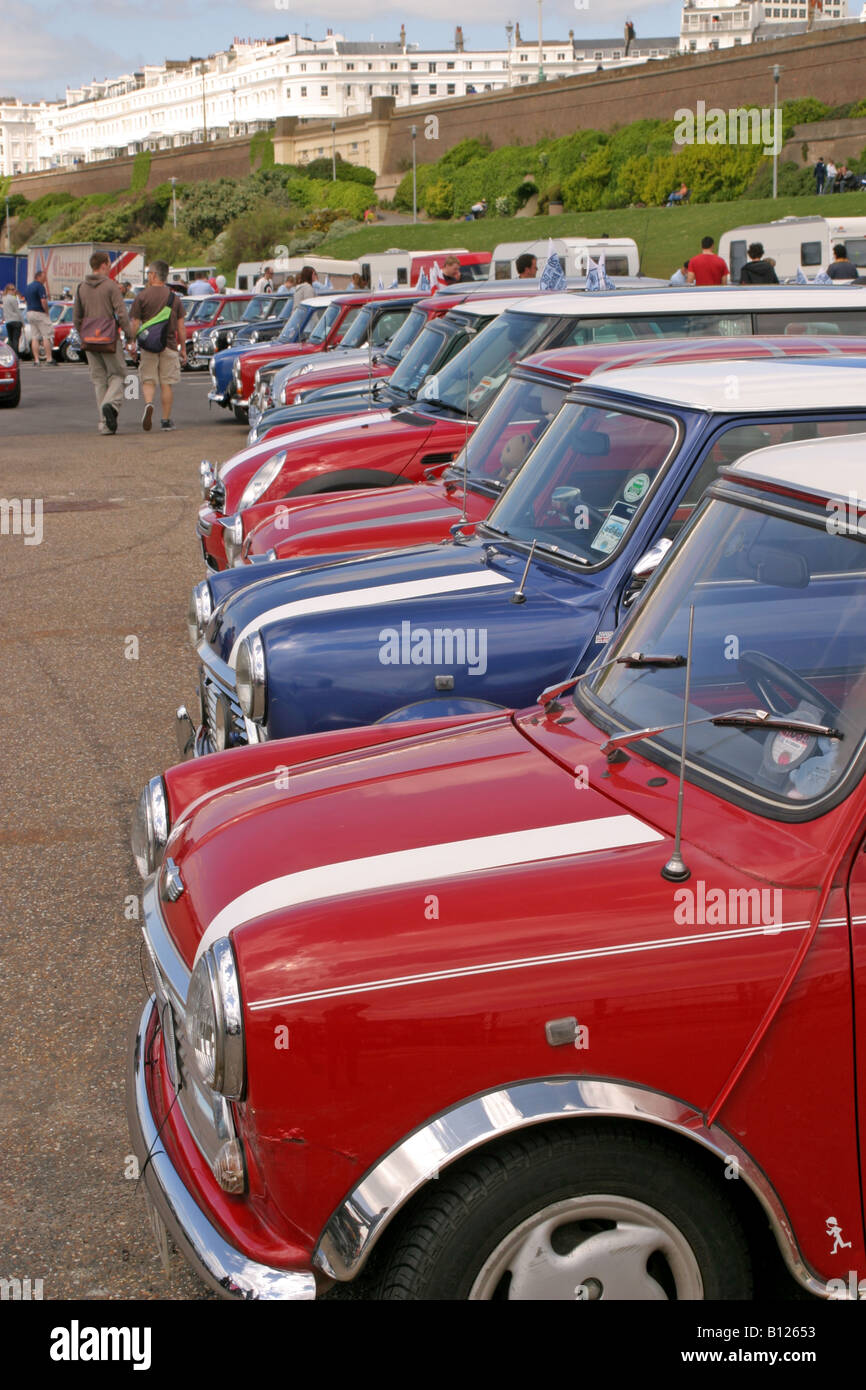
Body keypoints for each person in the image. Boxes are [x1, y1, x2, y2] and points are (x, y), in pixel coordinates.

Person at [73, 250, 134, 434]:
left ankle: (105, 424)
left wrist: (82, 333)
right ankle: (110, 405)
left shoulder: (81, 287)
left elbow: (77, 317)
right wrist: (130, 335)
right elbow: (121, 313)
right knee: (119, 374)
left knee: (99, 380)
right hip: (108, 338)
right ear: (104, 265)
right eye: (109, 263)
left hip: (89, 339)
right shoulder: (111, 286)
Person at [130, 258, 187, 432]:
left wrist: (132, 342)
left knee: (148, 380)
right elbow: (181, 327)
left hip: (148, 345)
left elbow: (135, 323)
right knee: (166, 383)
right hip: (168, 345)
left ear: (154, 275)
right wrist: (183, 349)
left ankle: (148, 404)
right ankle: (166, 420)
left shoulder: (142, 296)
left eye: (148, 273)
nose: (148, 276)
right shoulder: (174, 298)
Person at [24, 270, 53, 365]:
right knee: (46, 336)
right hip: (39, 313)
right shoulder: (40, 287)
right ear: (39, 277)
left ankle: (36, 360)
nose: (45, 279)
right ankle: (49, 359)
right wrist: (47, 312)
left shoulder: (28, 287)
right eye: (44, 277)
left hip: (29, 312)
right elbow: (43, 301)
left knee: (34, 337)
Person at [2, 284, 23, 356]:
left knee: (11, 339)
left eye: (14, 289)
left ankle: (11, 354)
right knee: (16, 339)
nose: (14, 291)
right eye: (12, 289)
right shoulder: (13, 298)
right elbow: (17, 310)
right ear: (8, 290)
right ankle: (15, 355)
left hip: (8, 321)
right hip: (16, 320)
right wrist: (22, 321)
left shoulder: (4, 298)